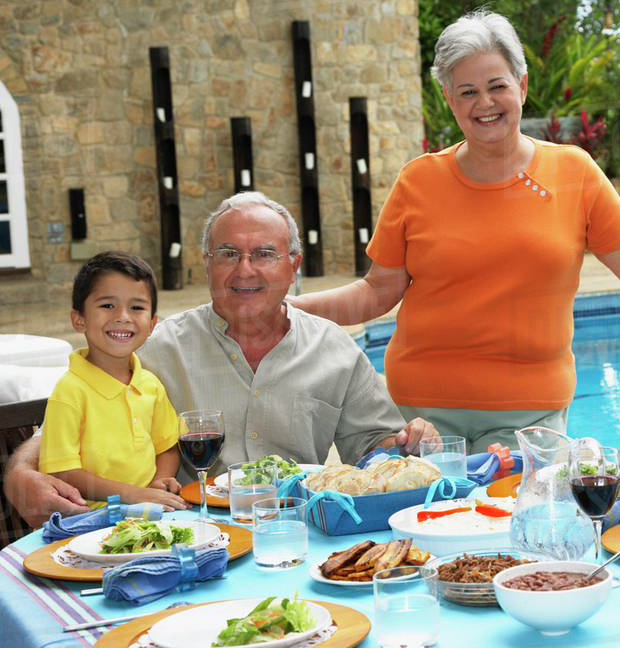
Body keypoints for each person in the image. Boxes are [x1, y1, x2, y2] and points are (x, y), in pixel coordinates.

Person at [290, 10, 620, 453]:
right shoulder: (418, 181)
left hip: (530, 419)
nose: (485, 103)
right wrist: (288, 309)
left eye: (497, 86)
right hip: (419, 419)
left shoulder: (574, 173)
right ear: (449, 100)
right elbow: (377, 291)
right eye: (468, 92)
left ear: (522, 86)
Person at [4, 192, 436, 525]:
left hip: (293, 528)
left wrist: (411, 441)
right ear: (207, 264)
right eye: (228, 254)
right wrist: (19, 471)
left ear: (293, 265)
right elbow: (75, 418)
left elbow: (375, 446)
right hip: (183, 530)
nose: (244, 269)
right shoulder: (155, 346)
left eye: (264, 254)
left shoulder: (334, 348)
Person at [38, 251, 187, 511]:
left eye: (137, 307)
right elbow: (62, 472)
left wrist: (158, 482)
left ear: (152, 324)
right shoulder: (70, 391)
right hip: (90, 523)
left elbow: (168, 447)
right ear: (79, 319)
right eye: (108, 305)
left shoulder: (149, 384)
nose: (123, 316)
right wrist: (135, 495)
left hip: (148, 517)